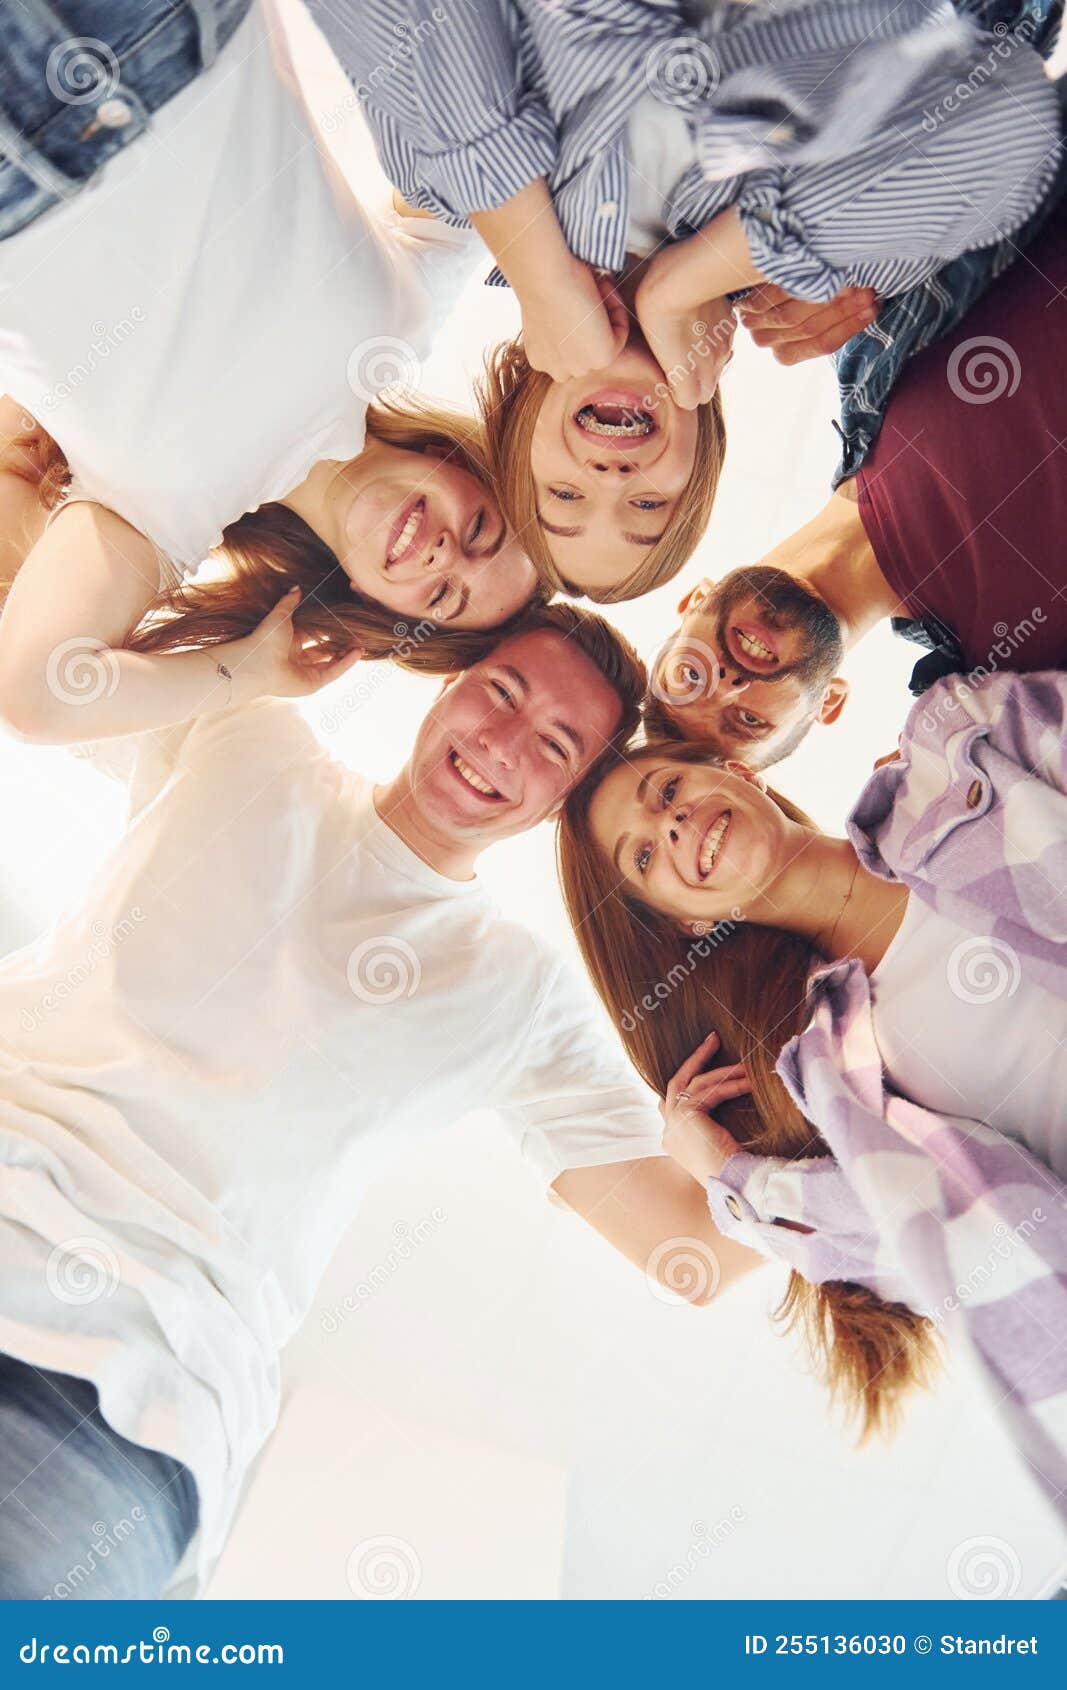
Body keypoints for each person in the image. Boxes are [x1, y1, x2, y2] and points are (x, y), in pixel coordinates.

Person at [0, 602, 768, 1601]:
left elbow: (696, 1253)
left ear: (560, 805)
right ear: (445, 679)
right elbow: (41, 657)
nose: (499, 742)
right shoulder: (250, 735)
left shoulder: (516, 993)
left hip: (129, 1388)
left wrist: (730, 1150)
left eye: (552, 745)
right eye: (499, 690)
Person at [312, 0, 1061, 602]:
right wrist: (687, 283)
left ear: (516, 417)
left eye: (562, 495)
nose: (610, 484)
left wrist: (540, 274)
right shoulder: (833, 268)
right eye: (646, 508)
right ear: (697, 447)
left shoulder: (443, 188)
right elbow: (1007, 121)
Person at [558, 667, 1067, 1525]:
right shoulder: (831, 1073)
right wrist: (729, 1174)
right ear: (682, 920)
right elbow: (924, 1240)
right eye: (645, 855)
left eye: (667, 789)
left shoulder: (955, 757)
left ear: (739, 772)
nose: (673, 821)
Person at [0, 1, 541, 746]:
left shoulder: (168, 525)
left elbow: (38, 694)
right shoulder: (408, 322)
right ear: (462, 460)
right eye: (480, 527)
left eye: (441, 596)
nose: (445, 554)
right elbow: (479, 124)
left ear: (371, 600)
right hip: (165, 37)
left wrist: (245, 674)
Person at [646, 199, 1067, 763]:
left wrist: (856, 246)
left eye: (689, 676)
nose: (729, 685)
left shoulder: (857, 338)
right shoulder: (1016, 679)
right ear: (830, 706)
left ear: (693, 599)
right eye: (747, 721)